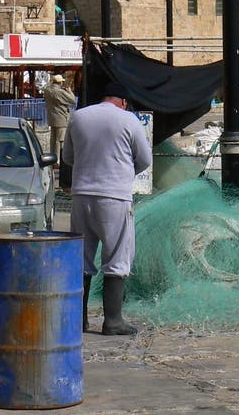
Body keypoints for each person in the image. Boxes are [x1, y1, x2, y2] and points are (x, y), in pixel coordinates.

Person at [62, 80, 152, 336]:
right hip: (115, 198)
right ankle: (112, 321)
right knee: (117, 257)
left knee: (81, 258)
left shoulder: (78, 117)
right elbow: (144, 159)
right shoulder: (129, 120)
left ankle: (78, 320)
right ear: (123, 101)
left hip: (81, 196)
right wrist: (122, 173)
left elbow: (68, 157)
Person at [43, 74, 75, 163]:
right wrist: (69, 91)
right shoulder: (60, 92)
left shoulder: (47, 90)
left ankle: (51, 158)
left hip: (51, 117)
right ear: (60, 82)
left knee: (52, 140)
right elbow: (72, 100)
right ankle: (57, 160)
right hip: (61, 118)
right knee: (59, 140)